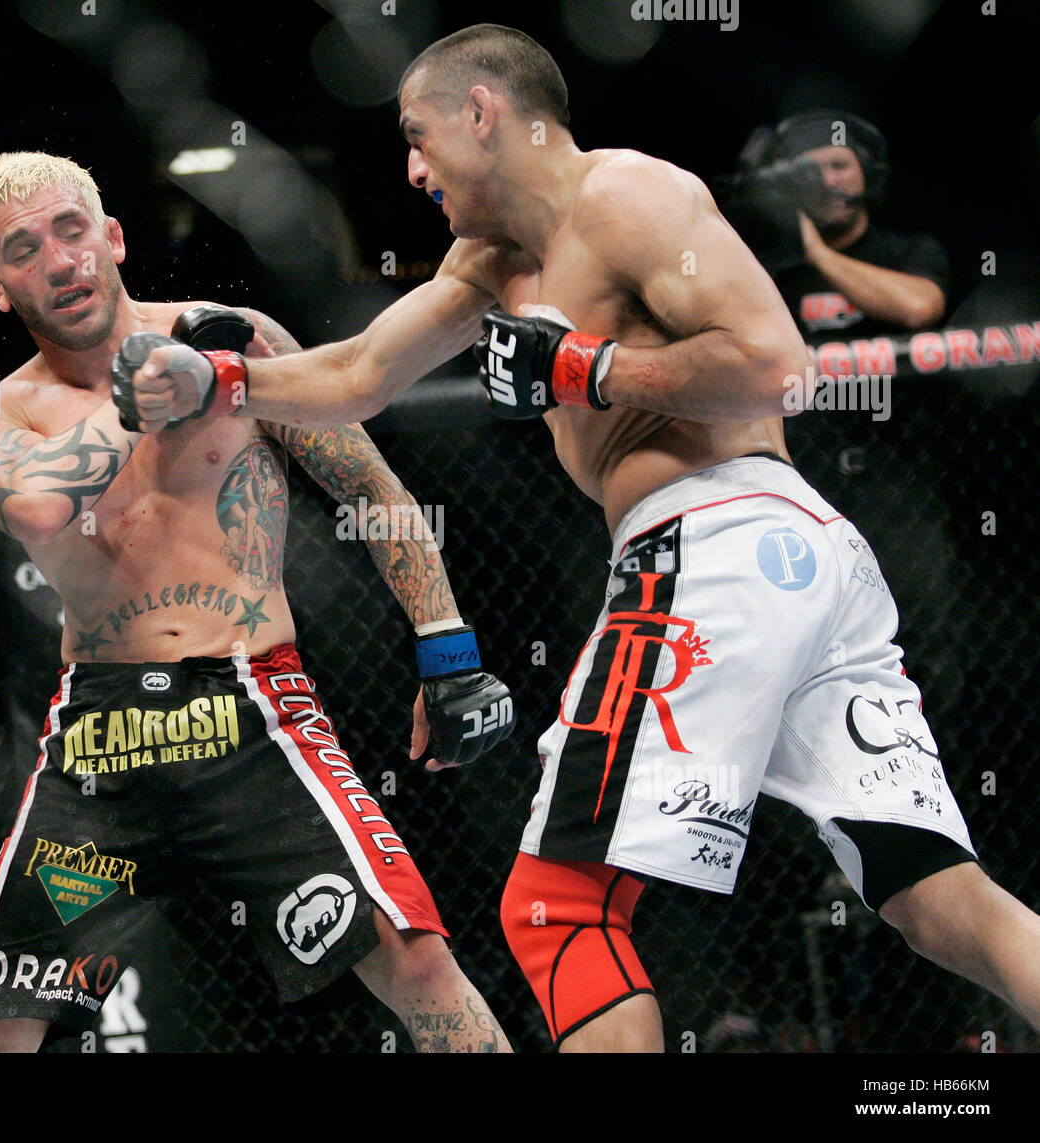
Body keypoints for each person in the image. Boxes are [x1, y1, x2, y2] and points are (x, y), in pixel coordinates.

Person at [121, 24, 1040, 1052]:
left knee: (557, 907)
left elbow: (782, 370)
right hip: (796, 565)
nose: (413, 167)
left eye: (420, 135)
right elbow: (358, 377)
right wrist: (222, 381)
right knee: (936, 899)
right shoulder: (491, 260)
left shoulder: (630, 196)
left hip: (713, 547)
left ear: (483, 113)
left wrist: (587, 370)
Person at [0, 151, 514, 1053]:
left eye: (71, 230)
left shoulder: (236, 342)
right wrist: (151, 386)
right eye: (24, 249)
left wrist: (446, 648)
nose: (59, 260)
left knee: (418, 960)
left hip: (252, 712)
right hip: (100, 743)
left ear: (114, 238)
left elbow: (371, 487)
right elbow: (39, 506)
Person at [750, 110, 949, 340]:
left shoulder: (908, 251)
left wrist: (817, 253)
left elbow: (919, 309)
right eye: (810, 173)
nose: (828, 181)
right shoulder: (769, 269)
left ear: (867, 173)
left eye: (839, 165)